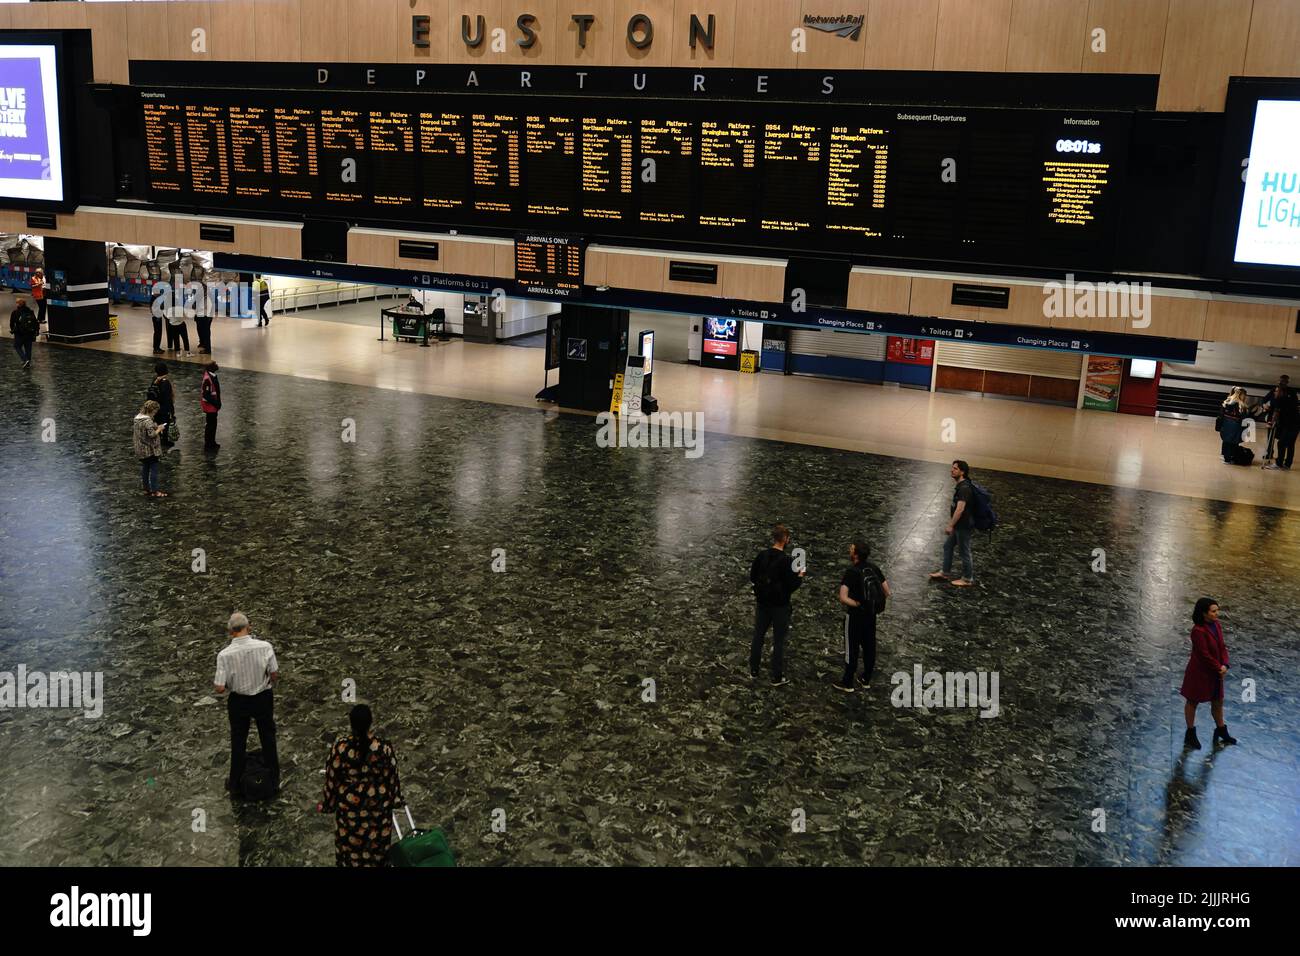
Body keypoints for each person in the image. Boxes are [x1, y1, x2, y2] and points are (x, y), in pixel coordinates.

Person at [317, 704, 403, 867]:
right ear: (371, 723)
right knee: (377, 858)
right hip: (378, 815)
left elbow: (331, 779)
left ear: (351, 724)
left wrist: (328, 805)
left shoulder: (341, 748)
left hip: (350, 817)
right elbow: (393, 779)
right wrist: (395, 801)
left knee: (349, 859)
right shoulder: (383, 748)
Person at [213, 611, 280, 795]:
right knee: (268, 738)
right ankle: (274, 780)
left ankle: (235, 783)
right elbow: (274, 673)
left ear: (230, 632)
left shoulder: (224, 655)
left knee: (238, 740)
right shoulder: (265, 647)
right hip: (262, 697)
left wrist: (230, 683)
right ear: (248, 627)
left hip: (239, 701)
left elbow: (219, 687)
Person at [748, 523, 804, 686]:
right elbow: (792, 585)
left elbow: (753, 577)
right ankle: (776, 676)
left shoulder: (762, 555)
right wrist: (800, 575)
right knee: (778, 641)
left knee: (758, 636)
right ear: (785, 539)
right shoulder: (788, 561)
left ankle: (754, 670)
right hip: (780, 606)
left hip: (762, 603)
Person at [833, 540, 891, 693]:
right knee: (869, 646)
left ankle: (847, 682)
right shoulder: (874, 568)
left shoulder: (852, 572)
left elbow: (843, 597)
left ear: (856, 555)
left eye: (851, 549)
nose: (849, 550)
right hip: (870, 616)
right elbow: (887, 592)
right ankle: (866, 678)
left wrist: (857, 604)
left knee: (851, 648)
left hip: (855, 616)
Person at [1179, 598, 1237, 749]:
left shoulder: (1216, 625)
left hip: (1216, 671)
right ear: (1204, 613)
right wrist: (1219, 667)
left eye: (1217, 610)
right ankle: (1190, 733)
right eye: (1214, 611)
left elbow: (1222, 647)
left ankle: (1221, 730)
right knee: (1193, 701)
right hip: (1200, 673)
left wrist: (1225, 664)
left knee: (1218, 700)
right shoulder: (1198, 631)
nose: (1217, 614)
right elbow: (1204, 655)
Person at [930, 460, 975, 587]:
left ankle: (967, 579)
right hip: (959, 525)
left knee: (964, 551)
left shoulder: (964, 488)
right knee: (947, 546)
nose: (952, 470)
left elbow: (960, 509)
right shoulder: (962, 486)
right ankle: (945, 572)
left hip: (963, 526)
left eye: (955, 469)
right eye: (952, 468)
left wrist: (950, 525)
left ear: (962, 472)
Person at [1256, 377, 1298, 471]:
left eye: (1275, 392)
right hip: (1294, 422)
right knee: (1290, 444)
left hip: (1290, 423)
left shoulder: (1279, 400)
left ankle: (1279, 464)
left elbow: (1276, 412)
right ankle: (1287, 465)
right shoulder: (1287, 396)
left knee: (1281, 443)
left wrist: (1272, 421)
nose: (1274, 392)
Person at [133, 400, 168, 498]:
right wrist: (159, 429)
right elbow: (152, 434)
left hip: (140, 449)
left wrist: (155, 426)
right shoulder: (147, 421)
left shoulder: (137, 419)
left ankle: (146, 489)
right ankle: (155, 491)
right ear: (152, 410)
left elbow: (143, 430)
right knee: (154, 470)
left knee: (145, 468)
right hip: (149, 449)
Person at [1218, 387, 1251, 464]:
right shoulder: (1242, 406)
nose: (1245, 397)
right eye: (1244, 395)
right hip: (1236, 426)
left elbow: (1221, 413)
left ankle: (1225, 456)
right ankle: (1231, 457)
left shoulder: (1227, 402)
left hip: (1226, 425)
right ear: (1241, 395)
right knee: (1234, 442)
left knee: (1226, 441)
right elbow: (1244, 418)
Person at [147, 362, 176, 446]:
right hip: (164, 408)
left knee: (157, 423)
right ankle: (165, 441)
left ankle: (158, 438)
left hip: (156, 408)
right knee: (165, 424)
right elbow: (167, 397)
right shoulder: (165, 382)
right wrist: (171, 410)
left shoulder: (155, 380)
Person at [9, 295, 38, 368]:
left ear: (18, 304)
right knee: (28, 348)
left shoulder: (15, 312)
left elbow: (11, 323)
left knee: (17, 346)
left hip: (19, 333)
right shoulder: (30, 311)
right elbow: (35, 322)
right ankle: (28, 362)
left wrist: (13, 330)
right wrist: (36, 331)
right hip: (29, 333)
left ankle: (25, 360)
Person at [200, 361, 222, 450]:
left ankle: (212, 442)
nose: (217, 365)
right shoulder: (207, 379)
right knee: (210, 425)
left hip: (213, 406)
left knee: (213, 425)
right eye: (215, 364)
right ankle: (209, 444)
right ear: (211, 368)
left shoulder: (212, 376)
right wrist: (216, 403)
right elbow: (206, 394)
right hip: (210, 406)